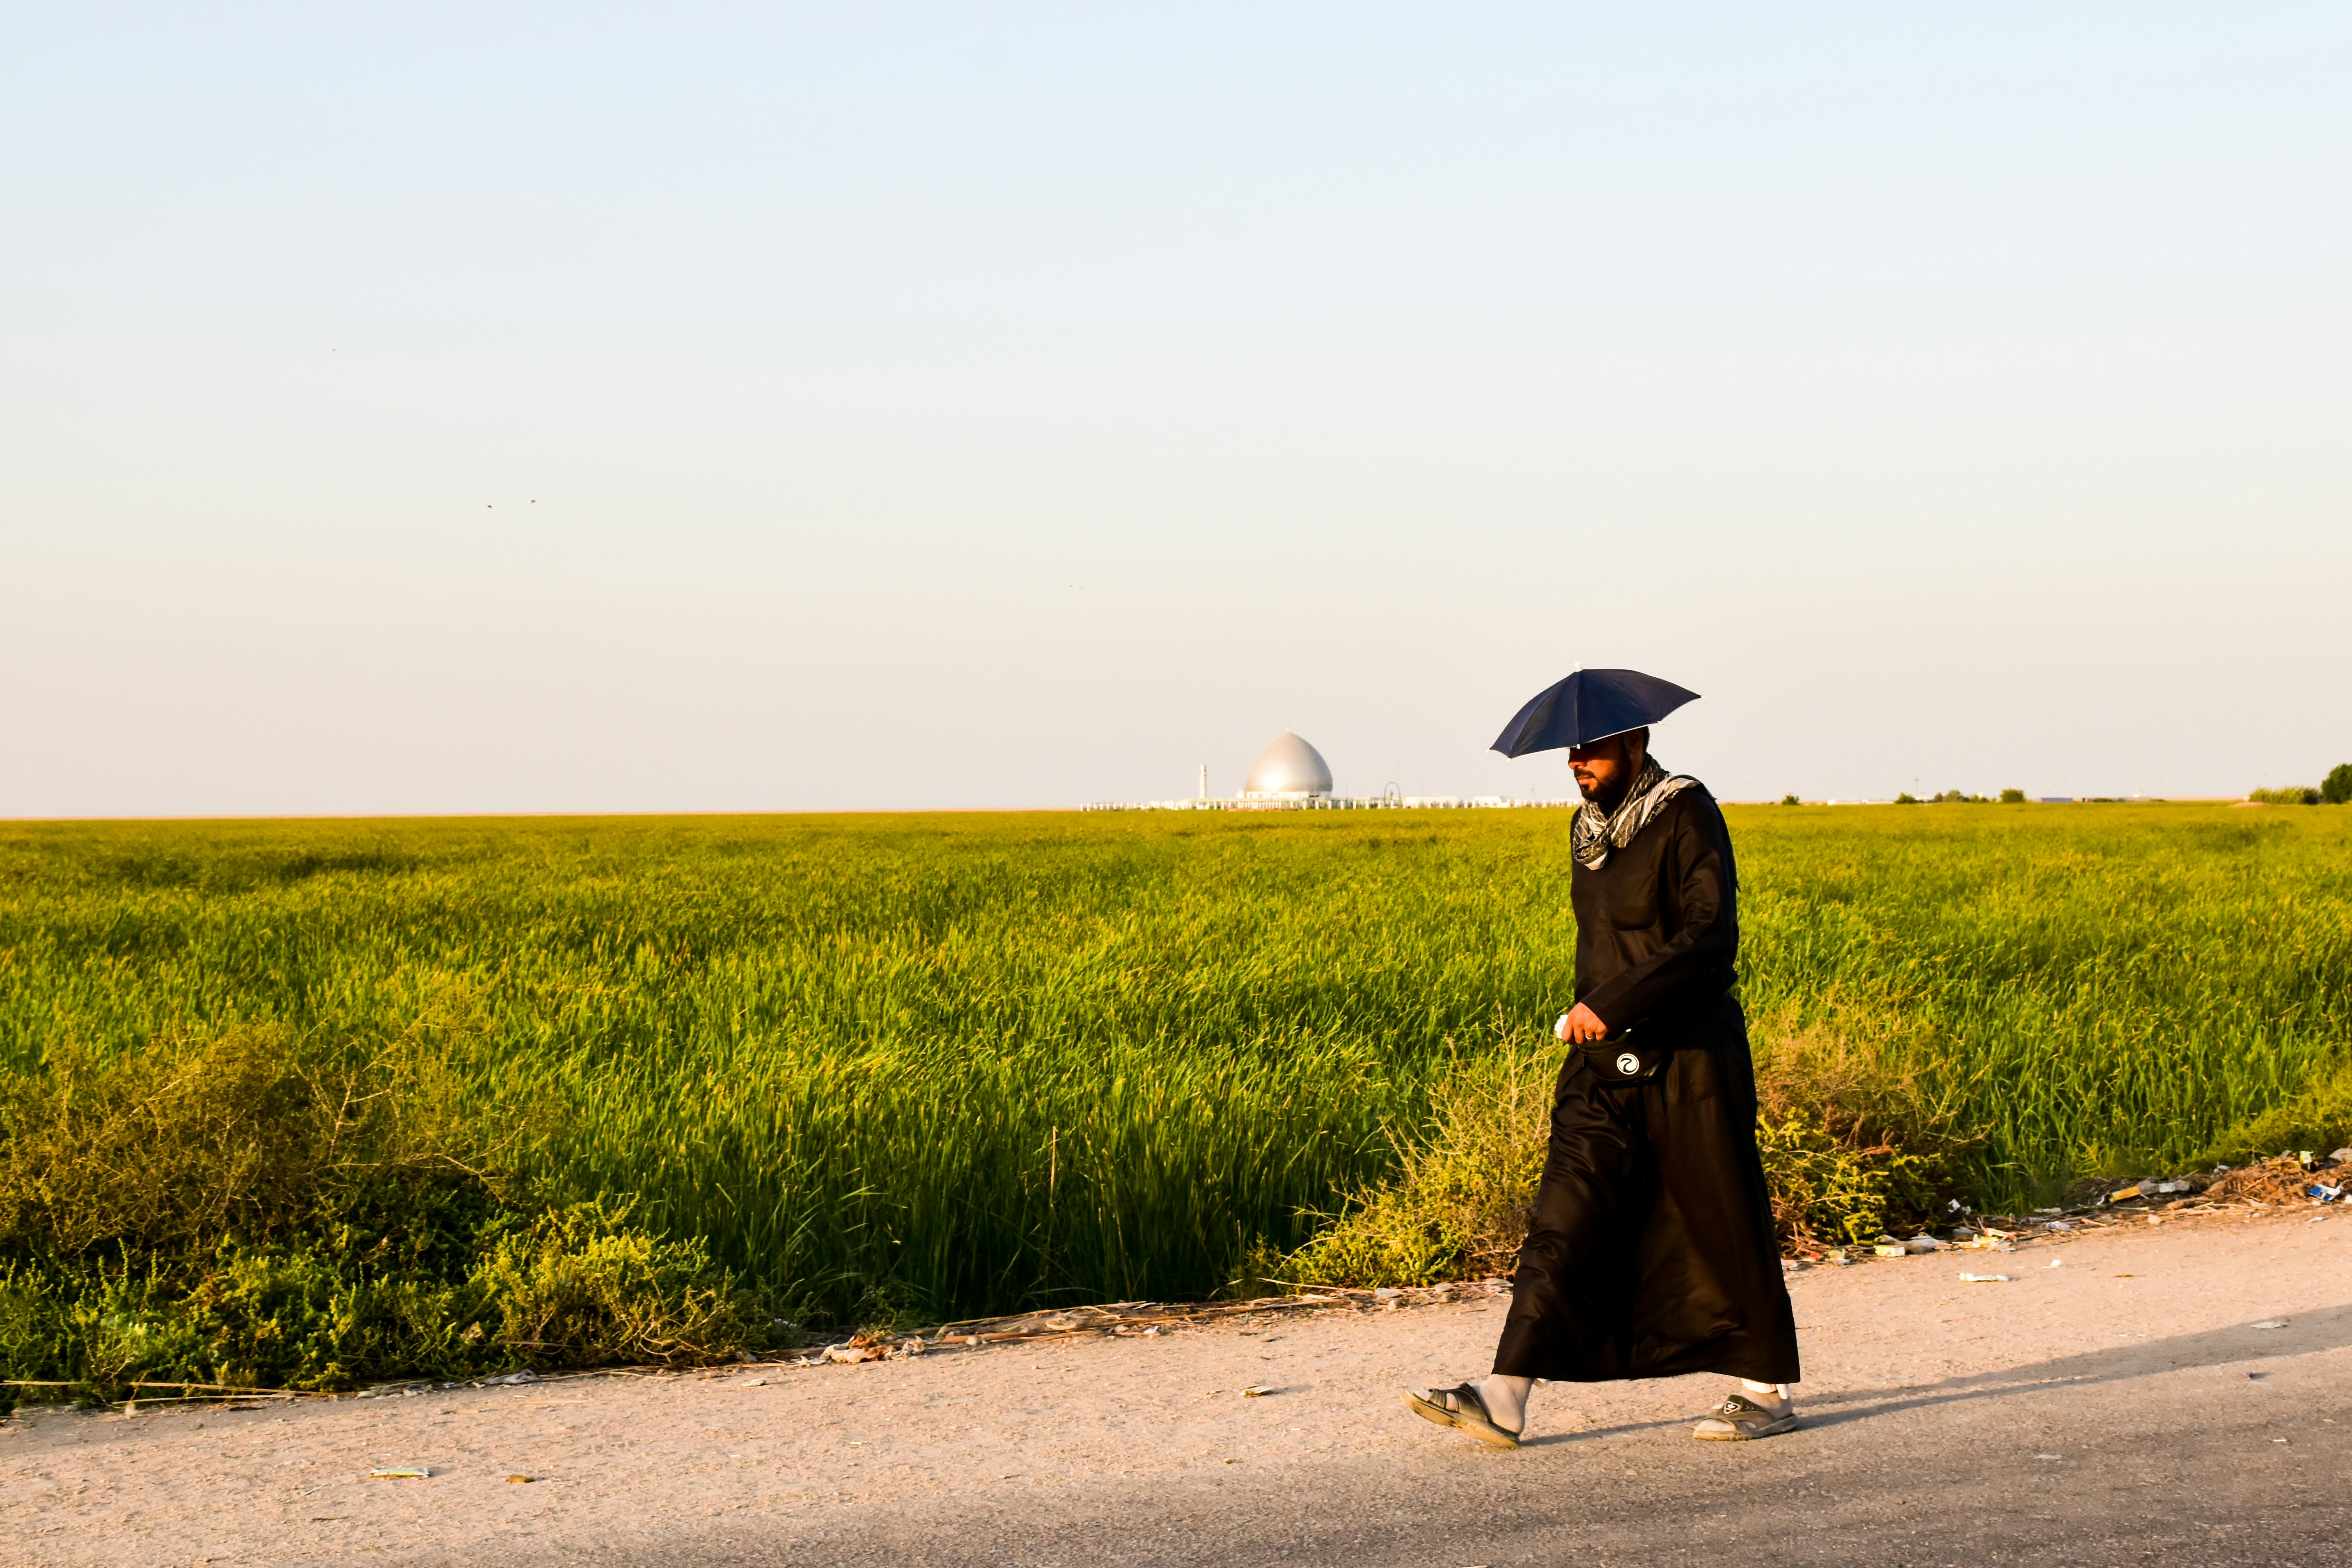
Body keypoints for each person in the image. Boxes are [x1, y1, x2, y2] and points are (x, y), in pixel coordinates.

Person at [1404, 725, 1800, 1447]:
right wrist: (1597, 1014)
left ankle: (1765, 1390)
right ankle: (1505, 1393)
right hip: (1601, 1061)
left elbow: (1710, 936)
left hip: (1688, 1057)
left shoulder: (1686, 811)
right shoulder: (1587, 831)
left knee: (1719, 1215)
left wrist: (1611, 1004)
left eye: (1592, 750)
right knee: (1566, 1214)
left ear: (1638, 745)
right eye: (1571, 752)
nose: (1575, 763)